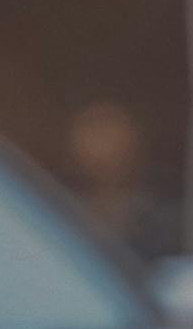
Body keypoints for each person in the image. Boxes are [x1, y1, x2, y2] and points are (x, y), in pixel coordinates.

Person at [60, 93, 177, 272]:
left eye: (109, 131)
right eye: (94, 131)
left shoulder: (163, 217)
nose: (103, 146)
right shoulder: (59, 210)